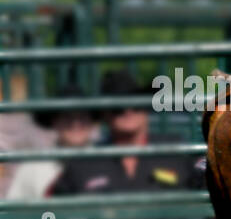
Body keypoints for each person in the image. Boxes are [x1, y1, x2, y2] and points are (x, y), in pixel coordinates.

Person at [51, 71, 206, 204]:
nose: (127, 110)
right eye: (118, 107)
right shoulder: (85, 163)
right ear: (104, 114)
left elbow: (211, 191)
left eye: (135, 102)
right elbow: (49, 214)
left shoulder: (177, 151)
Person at [1, 84, 99, 219]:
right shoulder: (34, 167)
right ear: (55, 122)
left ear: (91, 122)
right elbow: (14, 214)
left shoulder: (108, 162)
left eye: (82, 117)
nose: (75, 124)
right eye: (67, 117)